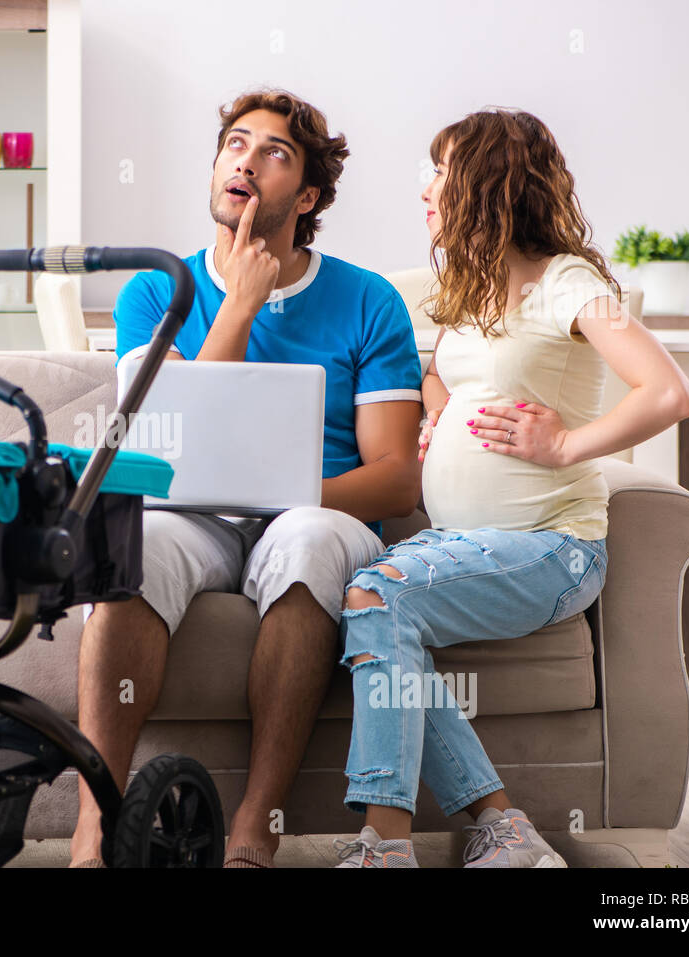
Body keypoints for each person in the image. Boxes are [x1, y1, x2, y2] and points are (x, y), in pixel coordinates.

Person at [69, 89, 425, 868]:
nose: (245, 159)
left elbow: (397, 479)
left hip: (315, 508)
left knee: (306, 542)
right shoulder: (156, 290)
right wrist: (238, 304)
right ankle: (94, 829)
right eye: (235, 143)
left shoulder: (369, 300)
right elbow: (164, 442)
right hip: (189, 510)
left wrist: (288, 490)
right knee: (134, 544)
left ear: (305, 196)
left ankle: (254, 824)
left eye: (274, 152)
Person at [333, 108, 689, 868]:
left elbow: (667, 391)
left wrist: (565, 443)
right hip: (462, 543)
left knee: (377, 594)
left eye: (441, 170)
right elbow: (439, 372)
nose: (425, 189)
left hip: (552, 548)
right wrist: (440, 416)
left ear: (489, 183)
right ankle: (503, 827)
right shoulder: (471, 285)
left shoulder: (567, 281)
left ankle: (385, 846)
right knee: (379, 607)